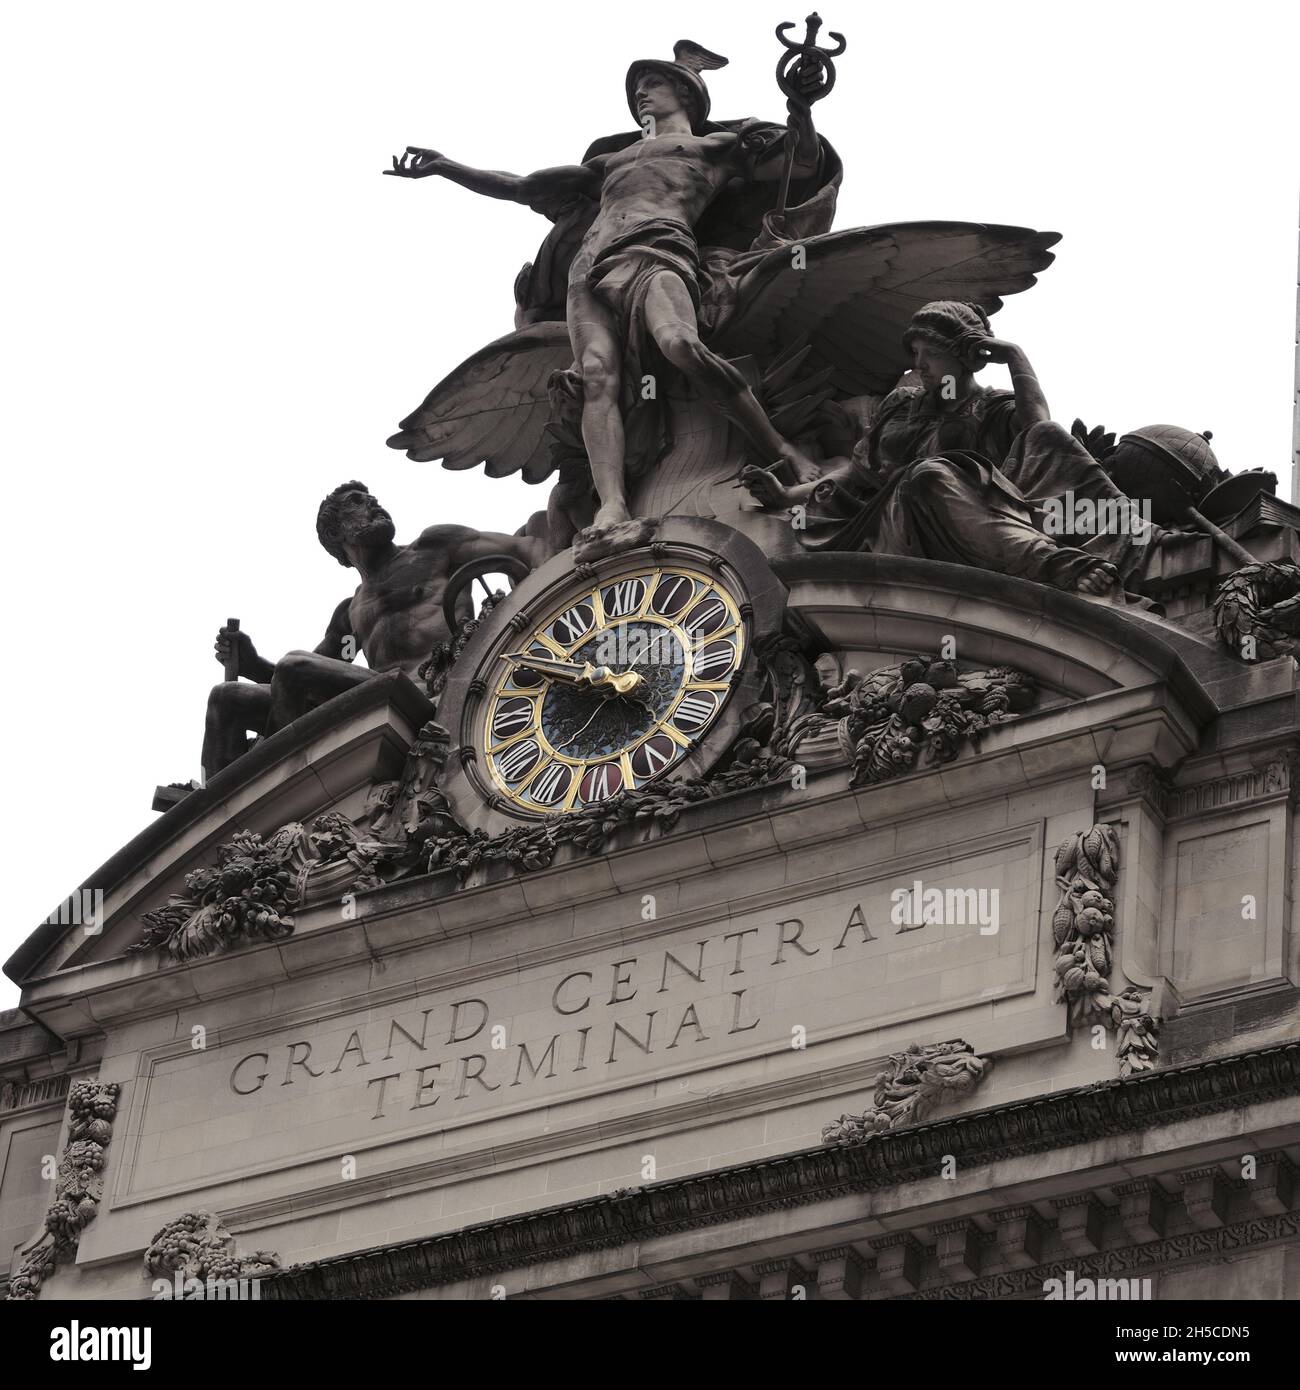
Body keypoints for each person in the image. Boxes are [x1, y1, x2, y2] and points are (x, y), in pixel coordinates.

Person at [386, 41, 837, 548]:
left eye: (652, 87)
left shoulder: (717, 149)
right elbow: (523, 186)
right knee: (596, 379)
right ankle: (613, 505)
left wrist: (801, 105)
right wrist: (447, 166)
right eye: (637, 92)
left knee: (681, 346)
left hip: (658, 250)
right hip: (589, 270)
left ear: (685, 93)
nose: (641, 97)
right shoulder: (610, 161)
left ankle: (782, 450)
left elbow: (799, 164)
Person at [740, 301, 1133, 595]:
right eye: (916, 354)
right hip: (896, 523)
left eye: (932, 354)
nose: (920, 365)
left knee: (1044, 438)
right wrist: (786, 495)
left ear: (966, 358)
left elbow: (1037, 428)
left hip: (977, 517)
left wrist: (1015, 357)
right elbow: (856, 473)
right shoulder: (899, 407)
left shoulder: (991, 408)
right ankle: (1055, 563)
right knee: (926, 475)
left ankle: (1122, 533)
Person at [201, 483, 547, 776]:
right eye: (356, 501)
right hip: (375, 701)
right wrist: (252, 664)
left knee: (295, 666)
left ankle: (280, 784)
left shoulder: (435, 547)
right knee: (227, 698)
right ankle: (217, 812)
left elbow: (526, 548)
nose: (372, 502)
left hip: (433, 689)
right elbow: (303, 682)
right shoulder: (350, 614)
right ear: (336, 533)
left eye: (370, 497)